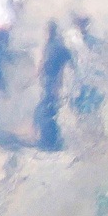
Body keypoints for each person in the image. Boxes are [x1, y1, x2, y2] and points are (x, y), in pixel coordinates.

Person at [34, 20, 75, 151]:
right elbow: (43, 64)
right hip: (48, 83)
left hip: (53, 83)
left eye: (47, 30)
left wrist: (59, 83)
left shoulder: (56, 46)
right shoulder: (52, 45)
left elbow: (65, 65)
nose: (45, 33)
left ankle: (50, 142)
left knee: (46, 112)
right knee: (45, 111)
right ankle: (50, 141)